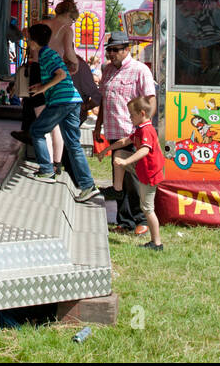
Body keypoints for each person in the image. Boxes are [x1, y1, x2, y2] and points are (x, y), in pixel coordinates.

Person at [26, 22, 99, 202]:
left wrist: (43, 88)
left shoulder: (45, 54)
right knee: (73, 144)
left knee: (37, 131)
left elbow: (61, 75)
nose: (27, 42)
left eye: (28, 39)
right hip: (72, 100)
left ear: (33, 41)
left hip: (62, 101)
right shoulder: (50, 53)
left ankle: (47, 169)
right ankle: (88, 185)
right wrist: (42, 86)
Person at [94, 31, 157, 235]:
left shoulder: (140, 71)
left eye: (115, 50)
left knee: (134, 178)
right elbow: (104, 100)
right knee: (118, 179)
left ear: (127, 50)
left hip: (132, 133)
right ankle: (125, 221)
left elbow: (150, 101)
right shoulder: (108, 70)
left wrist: (143, 129)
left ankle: (141, 220)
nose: (111, 54)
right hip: (114, 131)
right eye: (109, 50)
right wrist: (98, 126)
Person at [107, 96, 165, 251]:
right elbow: (125, 142)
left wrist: (126, 163)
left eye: (132, 115)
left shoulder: (147, 130)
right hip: (142, 169)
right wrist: (106, 151)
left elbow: (145, 150)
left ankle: (157, 243)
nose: (129, 117)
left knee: (147, 209)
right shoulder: (140, 129)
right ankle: (117, 190)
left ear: (142, 113)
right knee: (119, 152)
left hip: (150, 175)